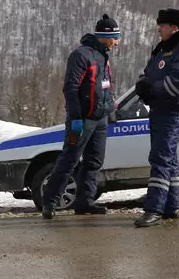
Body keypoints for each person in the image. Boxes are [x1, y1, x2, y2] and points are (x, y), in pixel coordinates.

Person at [41, 13, 120, 219]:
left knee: (94, 161)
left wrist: (111, 109)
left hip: (100, 119)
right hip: (82, 119)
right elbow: (71, 88)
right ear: (104, 36)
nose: (117, 42)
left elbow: (106, 86)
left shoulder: (104, 56)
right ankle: (49, 202)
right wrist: (75, 117)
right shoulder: (81, 55)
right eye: (115, 38)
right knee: (69, 159)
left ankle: (85, 202)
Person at [133, 8, 179, 227]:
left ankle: (153, 208)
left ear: (174, 27)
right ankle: (171, 206)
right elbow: (150, 72)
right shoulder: (163, 48)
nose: (158, 30)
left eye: (162, 26)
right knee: (168, 158)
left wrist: (154, 90)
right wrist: (143, 84)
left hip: (173, 110)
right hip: (158, 109)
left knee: (160, 157)